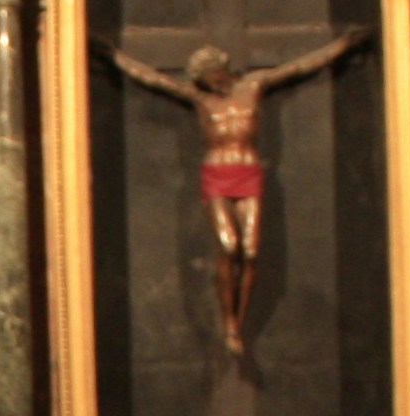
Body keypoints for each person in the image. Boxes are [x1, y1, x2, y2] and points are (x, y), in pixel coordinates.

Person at [106, 32, 371, 376]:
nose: (208, 86)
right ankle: (228, 321)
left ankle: (239, 322)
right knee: (228, 246)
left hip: (248, 173)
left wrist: (344, 45)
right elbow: (152, 78)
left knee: (251, 250)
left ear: (222, 71)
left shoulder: (254, 86)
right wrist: (111, 54)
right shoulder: (199, 98)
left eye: (211, 79)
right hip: (216, 174)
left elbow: (302, 66)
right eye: (202, 82)